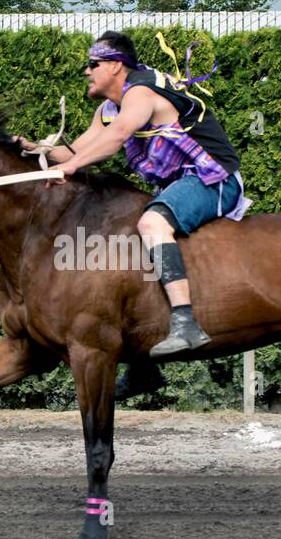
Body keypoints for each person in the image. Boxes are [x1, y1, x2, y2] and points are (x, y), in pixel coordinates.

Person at [16, 31, 250, 386]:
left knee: (152, 224)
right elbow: (77, 152)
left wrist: (72, 168)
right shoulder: (107, 110)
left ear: (114, 65)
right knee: (127, 242)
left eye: (93, 64)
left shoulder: (141, 92)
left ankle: (186, 324)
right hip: (178, 186)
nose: (87, 71)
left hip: (213, 179)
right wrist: (36, 150)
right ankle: (143, 367)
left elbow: (118, 137)